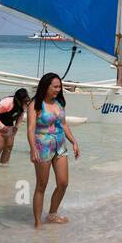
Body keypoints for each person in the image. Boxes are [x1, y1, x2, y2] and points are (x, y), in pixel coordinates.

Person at [26, 73, 80, 228]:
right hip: (42, 146)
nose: (58, 89)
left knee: (63, 183)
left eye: (59, 86)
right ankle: (37, 222)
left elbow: (63, 125)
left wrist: (74, 142)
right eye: (55, 87)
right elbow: (30, 129)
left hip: (60, 145)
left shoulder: (59, 103)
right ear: (46, 86)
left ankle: (52, 214)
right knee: (41, 185)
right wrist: (33, 148)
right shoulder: (35, 104)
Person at [0, 88, 30, 166]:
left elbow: (21, 114)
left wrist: (16, 126)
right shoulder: (6, 103)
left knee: (8, 147)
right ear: (17, 99)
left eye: (26, 101)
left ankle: (4, 167)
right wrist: (1, 127)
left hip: (8, 122)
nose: (25, 103)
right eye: (23, 101)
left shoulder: (24, 104)